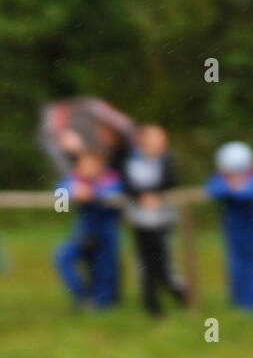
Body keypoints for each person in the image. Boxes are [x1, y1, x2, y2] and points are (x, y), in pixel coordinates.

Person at [120, 124, 187, 316]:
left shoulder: (167, 159)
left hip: (162, 218)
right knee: (147, 261)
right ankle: (153, 303)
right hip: (140, 219)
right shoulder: (128, 159)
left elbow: (170, 181)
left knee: (162, 260)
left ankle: (175, 295)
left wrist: (152, 194)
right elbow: (126, 184)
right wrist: (142, 196)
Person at [52, 150, 123, 308]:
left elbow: (116, 196)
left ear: (100, 166)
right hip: (83, 234)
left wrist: (94, 194)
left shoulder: (111, 180)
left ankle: (102, 303)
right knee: (62, 257)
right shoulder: (75, 181)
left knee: (104, 272)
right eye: (83, 164)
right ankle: (81, 295)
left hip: (106, 236)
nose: (87, 168)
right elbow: (59, 204)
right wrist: (72, 191)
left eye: (91, 164)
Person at [205, 142, 253, 309]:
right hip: (233, 227)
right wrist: (233, 187)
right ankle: (237, 303)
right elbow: (213, 190)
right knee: (235, 265)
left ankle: (252, 304)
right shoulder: (220, 181)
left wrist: (237, 189)